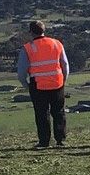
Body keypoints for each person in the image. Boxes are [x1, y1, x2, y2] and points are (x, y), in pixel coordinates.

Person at [16, 19, 69, 149]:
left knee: (41, 113)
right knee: (59, 112)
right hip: (57, 83)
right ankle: (60, 139)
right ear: (44, 30)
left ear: (31, 32)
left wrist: (26, 85)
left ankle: (44, 142)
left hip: (38, 85)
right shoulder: (57, 43)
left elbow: (21, 71)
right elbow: (65, 65)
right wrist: (63, 80)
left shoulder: (28, 48)